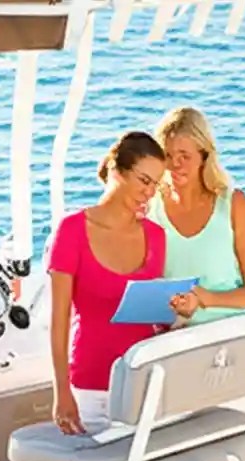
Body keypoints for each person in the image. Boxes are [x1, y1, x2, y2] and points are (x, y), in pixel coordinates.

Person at [47, 131, 167, 436]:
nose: (150, 192)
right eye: (144, 180)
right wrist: (62, 392)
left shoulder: (156, 236)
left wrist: (174, 310)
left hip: (142, 385)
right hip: (89, 389)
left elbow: (155, 319)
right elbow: (58, 320)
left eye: (156, 184)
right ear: (117, 172)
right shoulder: (72, 230)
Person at [146, 107, 245, 324]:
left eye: (185, 156)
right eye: (168, 155)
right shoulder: (149, 207)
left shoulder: (234, 204)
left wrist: (207, 299)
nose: (175, 164)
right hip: (170, 337)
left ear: (204, 156)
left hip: (227, 332)